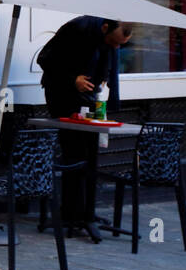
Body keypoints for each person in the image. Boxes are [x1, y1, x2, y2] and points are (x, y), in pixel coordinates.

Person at [36, 17, 134, 240]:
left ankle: (86, 212)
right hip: (62, 96)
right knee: (74, 152)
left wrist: (103, 78)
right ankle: (71, 212)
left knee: (90, 152)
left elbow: (103, 58)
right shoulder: (77, 29)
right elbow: (45, 59)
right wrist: (73, 79)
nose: (115, 48)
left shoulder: (105, 41)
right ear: (104, 27)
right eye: (113, 42)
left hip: (88, 97)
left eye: (120, 45)